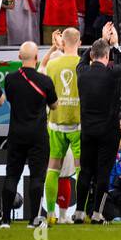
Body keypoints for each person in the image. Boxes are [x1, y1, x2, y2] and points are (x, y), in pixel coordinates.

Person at [74, 28, 121, 223]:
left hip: (88, 131)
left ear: (92, 55)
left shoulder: (82, 72)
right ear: (107, 56)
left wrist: (99, 40)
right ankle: (97, 213)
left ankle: (79, 212)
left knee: (85, 171)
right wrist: (115, 44)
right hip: (108, 132)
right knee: (103, 173)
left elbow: (82, 59)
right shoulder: (112, 73)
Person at [1, 40, 57, 228]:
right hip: (38, 135)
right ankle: (34, 219)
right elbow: (54, 105)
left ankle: (5, 219)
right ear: (36, 57)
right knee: (37, 177)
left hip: (16, 134)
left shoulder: (10, 79)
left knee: (12, 175)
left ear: (19, 57)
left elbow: (10, 99)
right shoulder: (45, 81)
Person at [40, 26, 81, 224]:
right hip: (78, 124)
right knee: (81, 170)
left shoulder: (52, 65)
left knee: (53, 168)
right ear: (80, 42)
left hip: (55, 123)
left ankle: (50, 214)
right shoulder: (83, 64)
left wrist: (53, 49)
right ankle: (80, 212)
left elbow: (40, 71)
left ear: (63, 43)